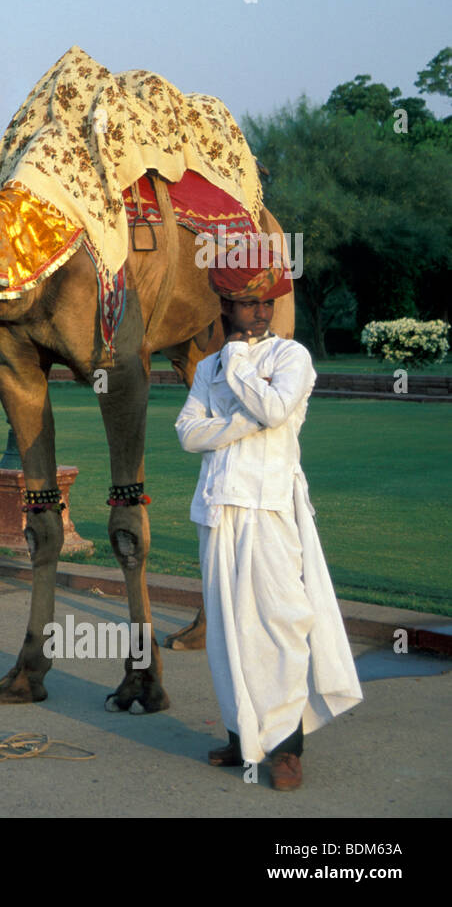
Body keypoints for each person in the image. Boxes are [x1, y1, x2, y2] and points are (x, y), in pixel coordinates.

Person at [174, 256, 362, 791]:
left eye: (266, 302)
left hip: (271, 505)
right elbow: (188, 433)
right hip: (218, 507)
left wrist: (235, 369)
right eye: (247, 302)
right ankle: (243, 736)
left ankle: (285, 749)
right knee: (228, 629)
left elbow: (277, 412)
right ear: (226, 306)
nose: (259, 313)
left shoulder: (290, 355)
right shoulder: (208, 367)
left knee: (280, 623)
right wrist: (239, 421)